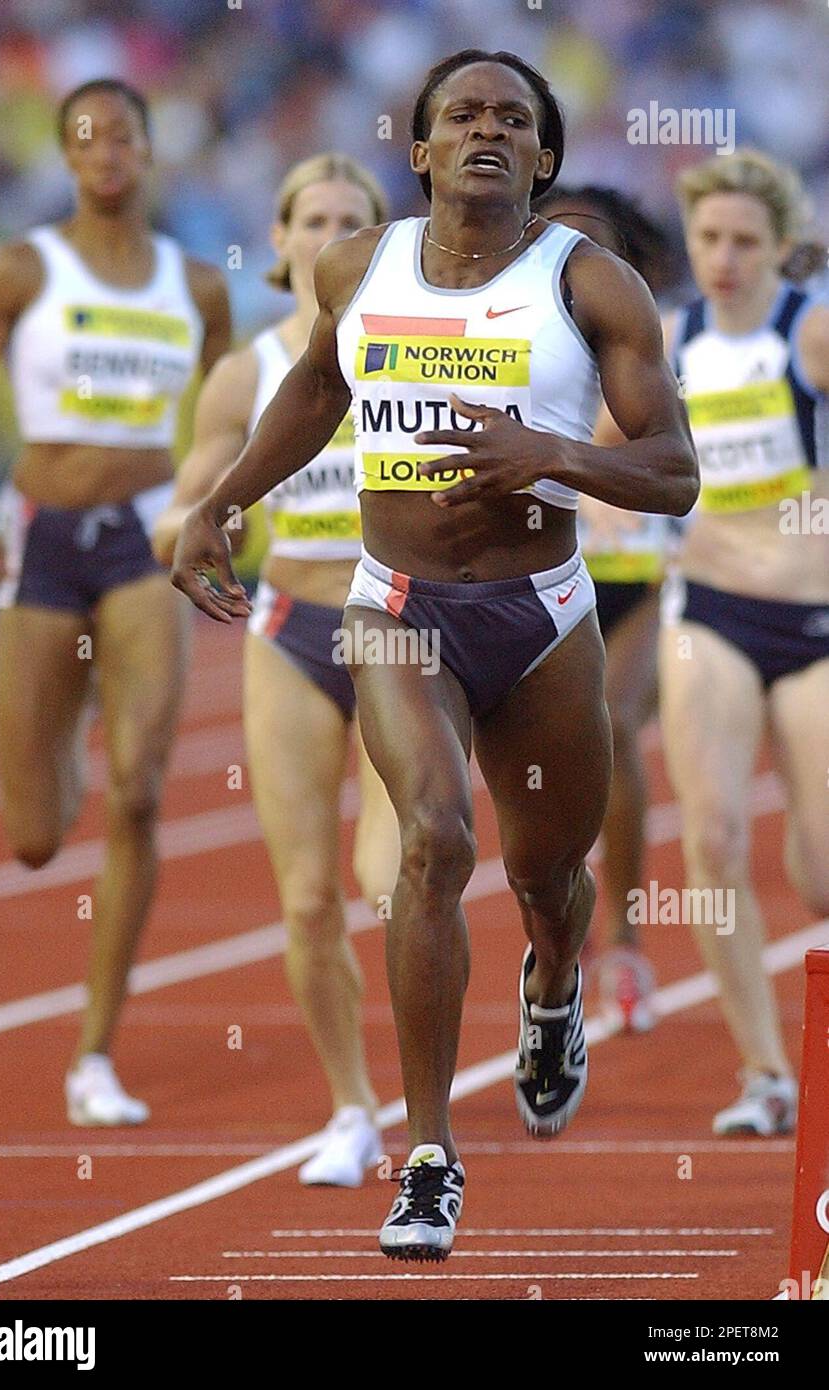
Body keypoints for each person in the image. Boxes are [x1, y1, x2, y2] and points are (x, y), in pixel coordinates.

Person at [171, 48, 698, 1260]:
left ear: (545, 155)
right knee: (435, 840)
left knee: (547, 883)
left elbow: (675, 472)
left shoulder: (594, 286)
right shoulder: (358, 267)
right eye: (461, 115)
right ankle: (429, 1154)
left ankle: (554, 988)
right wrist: (224, 503)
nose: (486, 132)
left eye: (514, 119)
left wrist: (548, 457)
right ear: (417, 149)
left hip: (544, 611)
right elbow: (314, 391)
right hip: (396, 603)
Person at [0, 79, 232, 1125]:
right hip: (43, 539)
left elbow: (224, 419)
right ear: (65, 156)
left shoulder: (197, 288)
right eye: (85, 136)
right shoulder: (23, 266)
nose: (105, 149)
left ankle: (93, 1050)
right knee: (30, 834)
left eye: (123, 132)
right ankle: (66, 738)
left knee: (143, 790)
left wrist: (216, 512)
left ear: (150, 149)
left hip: (142, 540)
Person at [153, 154, 401, 1187]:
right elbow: (183, 505)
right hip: (292, 627)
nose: (329, 233)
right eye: (313, 218)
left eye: (353, 218)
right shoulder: (247, 373)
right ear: (283, 237)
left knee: (392, 878)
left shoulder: (418, 351)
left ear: (382, 241)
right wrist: (199, 522)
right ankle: (352, 1108)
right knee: (305, 901)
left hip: (403, 625)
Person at [659, 149, 829, 1135]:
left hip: (811, 625)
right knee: (714, 834)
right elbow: (597, 452)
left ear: (777, 248)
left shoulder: (805, 335)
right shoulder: (672, 339)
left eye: (743, 242)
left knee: (818, 874)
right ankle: (764, 1072)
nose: (723, 258)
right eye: (709, 239)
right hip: (712, 610)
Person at [538, 186, 680, 1033]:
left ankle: (623, 935)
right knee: (547, 770)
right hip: (546, 585)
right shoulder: (505, 340)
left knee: (613, 723)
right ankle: (560, 942)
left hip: (643, 584)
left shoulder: (645, 343)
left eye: (587, 246)